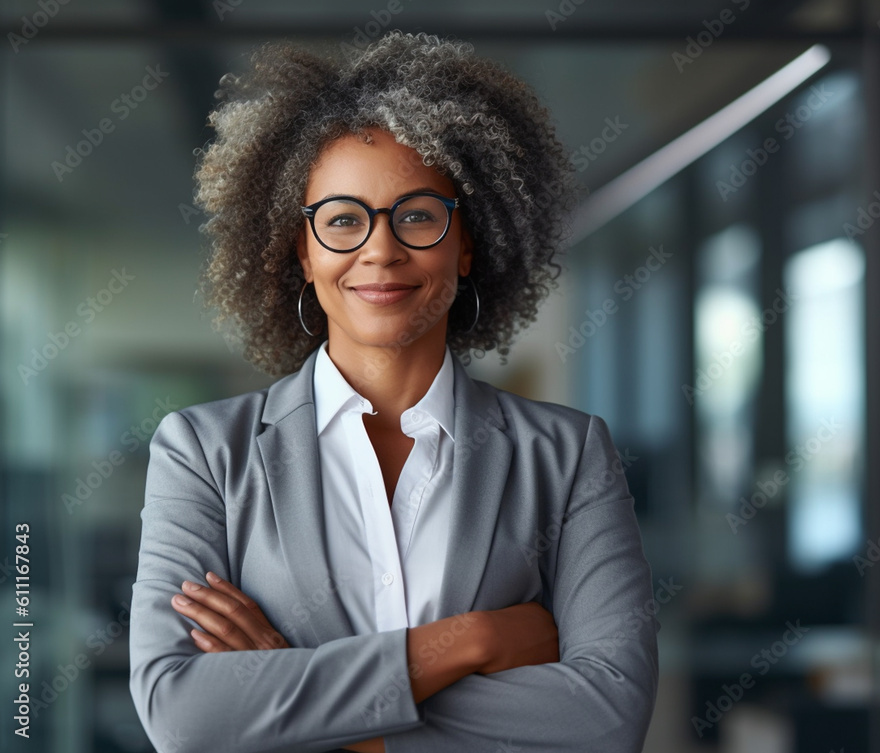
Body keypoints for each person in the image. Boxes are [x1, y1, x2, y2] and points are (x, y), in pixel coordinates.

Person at [128, 31, 659, 753]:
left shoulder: (567, 457)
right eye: (343, 219)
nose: (380, 249)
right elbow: (182, 715)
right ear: (302, 249)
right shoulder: (204, 454)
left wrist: (301, 700)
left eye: (417, 214)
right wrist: (467, 640)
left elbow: (608, 718)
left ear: (466, 241)